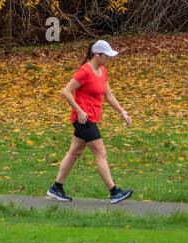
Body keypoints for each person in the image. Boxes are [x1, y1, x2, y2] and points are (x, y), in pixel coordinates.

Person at [47, 39, 133, 203]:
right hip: (84, 120)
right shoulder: (84, 71)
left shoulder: (103, 71)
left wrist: (122, 111)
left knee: (74, 153)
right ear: (97, 54)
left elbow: (108, 95)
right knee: (100, 153)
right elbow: (66, 91)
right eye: (106, 56)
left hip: (92, 117)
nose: (108, 59)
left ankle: (56, 188)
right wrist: (79, 110)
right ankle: (114, 192)